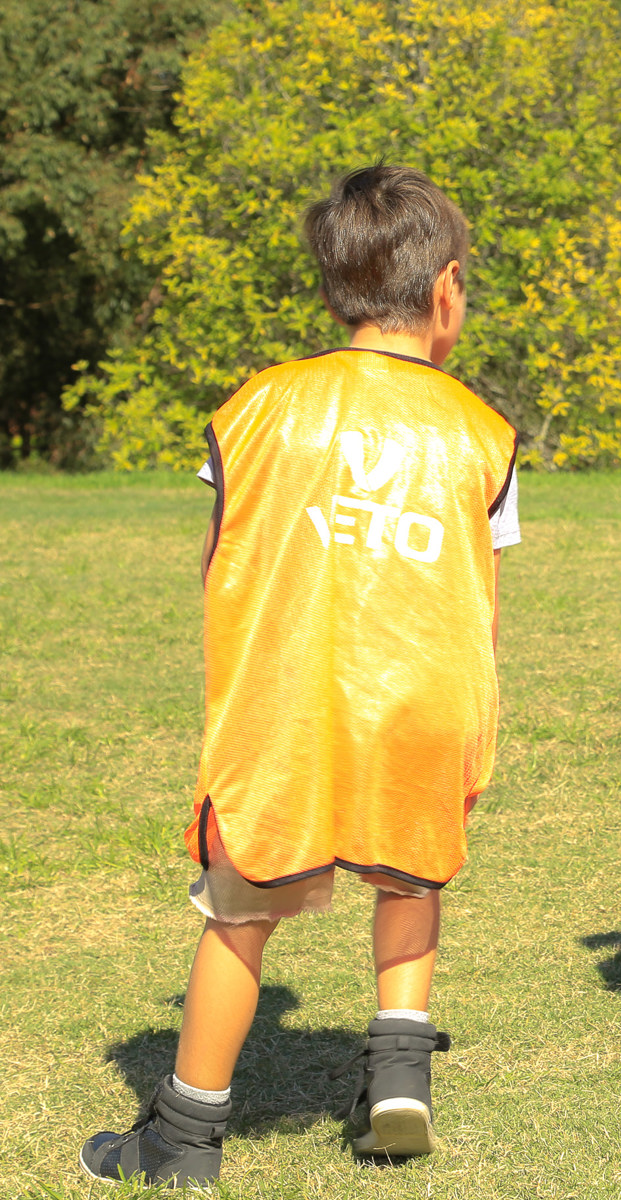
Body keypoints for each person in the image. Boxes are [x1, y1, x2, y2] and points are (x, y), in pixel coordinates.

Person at [79, 165, 520, 1188]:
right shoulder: (483, 433)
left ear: (333, 288)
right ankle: (400, 1074)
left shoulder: (259, 408)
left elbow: (219, 562)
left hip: (292, 711)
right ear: (447, 287)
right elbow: (478, 600)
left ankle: (184, 1138)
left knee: (239, 912)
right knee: (409, 882)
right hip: (426, 705)